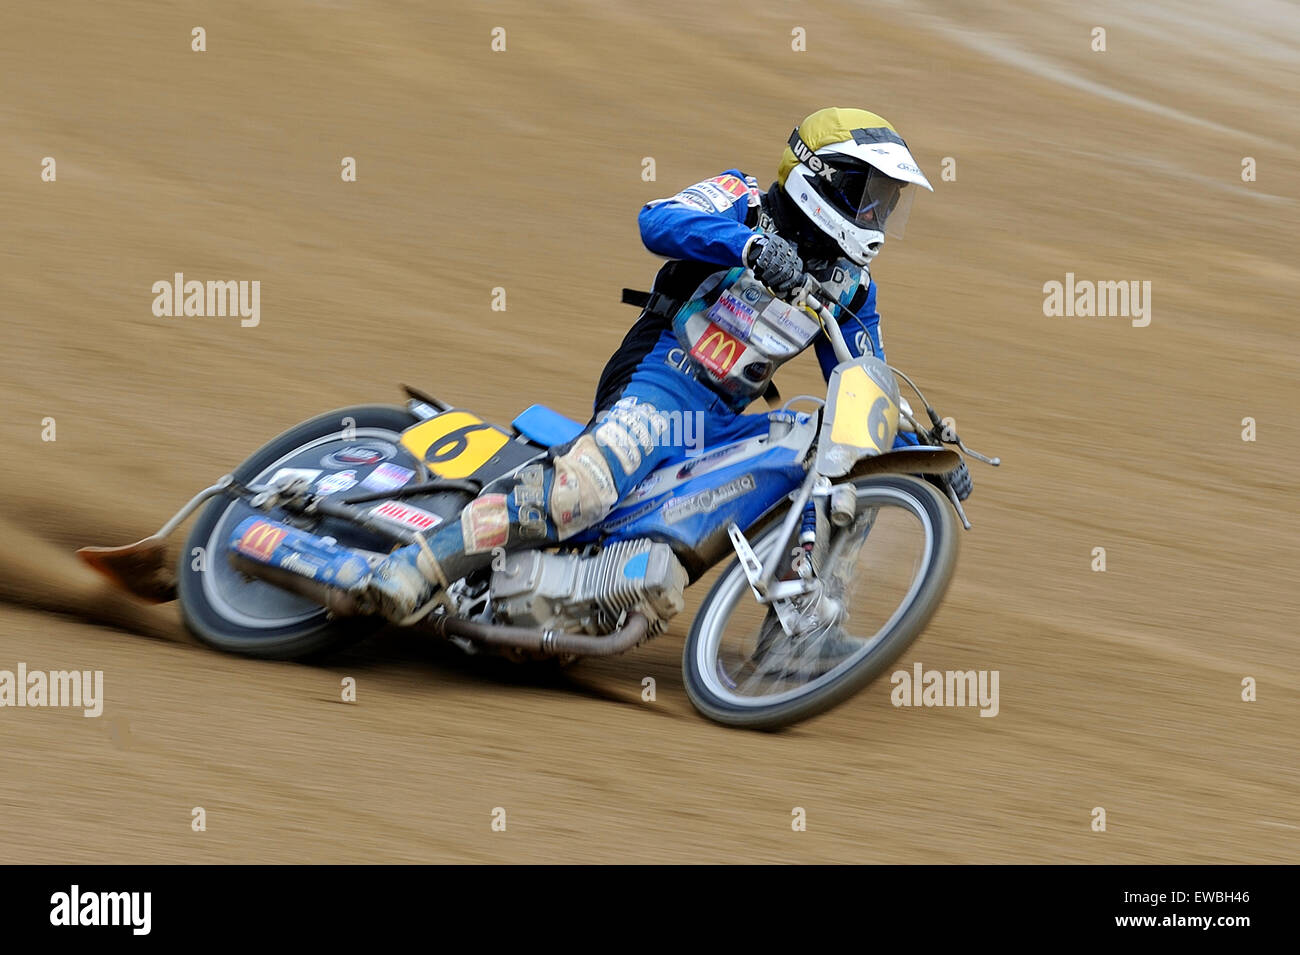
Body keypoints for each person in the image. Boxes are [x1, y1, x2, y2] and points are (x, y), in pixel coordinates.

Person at [363, 107, 971, 621]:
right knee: (583, 493)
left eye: (887, 202)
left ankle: (801, 624)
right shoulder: (743, 199)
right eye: (869, 196)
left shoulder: (853, 288)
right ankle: (419, 564)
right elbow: (657, 219)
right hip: (660, 377)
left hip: (725, 420)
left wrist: (919, 454)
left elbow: (864, 382)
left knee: (847, 464)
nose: (877, 217)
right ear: (823, 179)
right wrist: (750, 247)